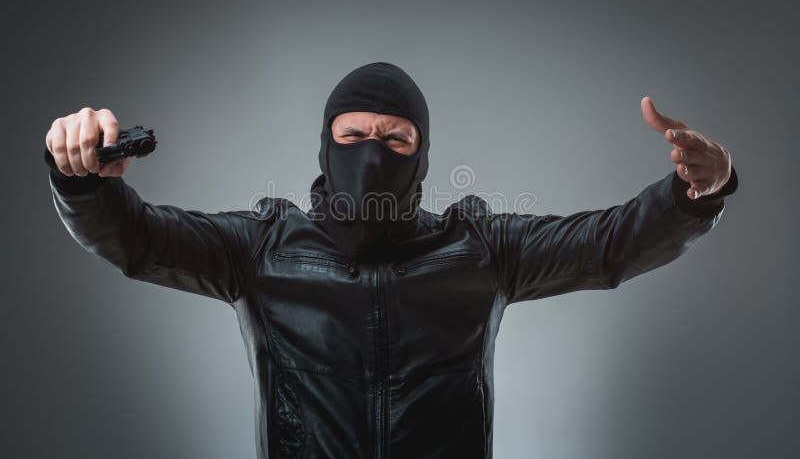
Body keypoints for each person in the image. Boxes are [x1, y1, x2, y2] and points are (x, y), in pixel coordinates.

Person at [44, 61, 738, 459]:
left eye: (396, 139)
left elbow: (609, 245)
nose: (372, 153)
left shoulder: (481, 247)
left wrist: (696, 191)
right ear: (325, 148)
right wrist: (79, 177)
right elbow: (135, 240)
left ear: (423, 156)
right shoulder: (260, 247)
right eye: (353, 136)